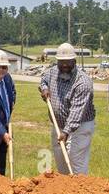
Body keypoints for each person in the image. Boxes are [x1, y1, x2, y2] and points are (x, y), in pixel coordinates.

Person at [38, 42, 95, 174]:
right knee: (61, 158)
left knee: (75, 159)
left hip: (80, 126)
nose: (64, 65)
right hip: (58, 125)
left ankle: (80, 189)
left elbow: (76, 112)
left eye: (68, 62)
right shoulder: (52, 72)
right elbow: (43, 79)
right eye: (61, 61)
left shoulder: (83, 82)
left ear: (74, 61)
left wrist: (66, 132)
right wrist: (44, 88)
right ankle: (65, 188)